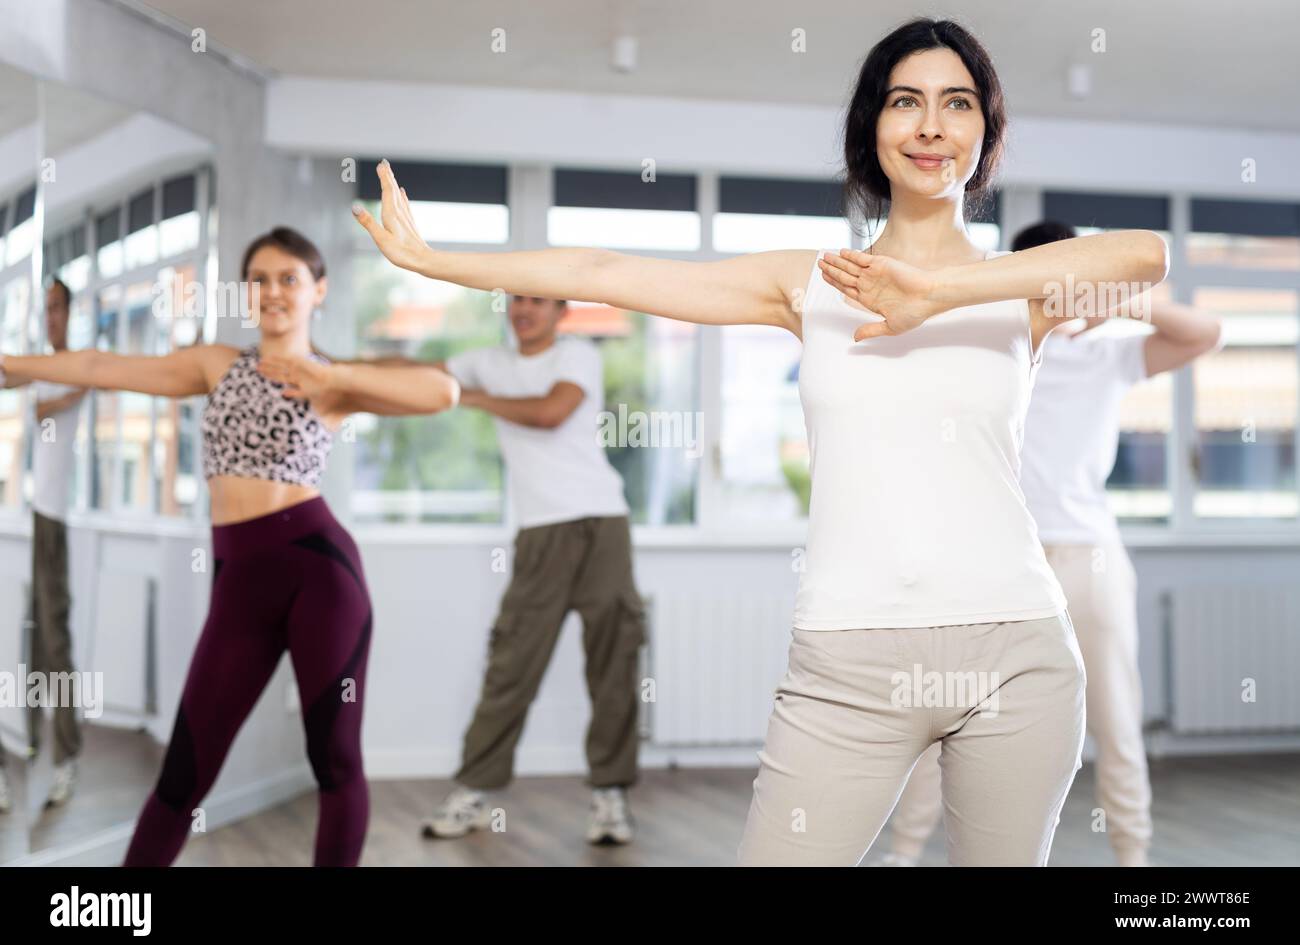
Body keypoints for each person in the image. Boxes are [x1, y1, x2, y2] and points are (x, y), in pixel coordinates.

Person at [353, 16, 1167, 865]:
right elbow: (602, 273)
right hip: (846, 661)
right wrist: (439, 263)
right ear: (871, 129)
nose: (931, 125)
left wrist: (939, 292)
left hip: (1018, 653)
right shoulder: (808, 284)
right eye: (905, 101)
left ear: (985, 133)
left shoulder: (1021, 292)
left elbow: (1146, 259)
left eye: (957, 103)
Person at [0, 226, 460, 866]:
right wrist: (12, 366)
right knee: (184, 774)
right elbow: (103, 367)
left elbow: (443, 391)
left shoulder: (335, 380)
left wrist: (337, 377)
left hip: (319, 574)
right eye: (261, 280)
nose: (273, 292)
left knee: (334, 758)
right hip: (240, 583)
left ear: (317, 290)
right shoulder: (216, 364)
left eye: (289, 279)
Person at [877, 221, 1223, 867]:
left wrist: (1114, 299)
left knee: (1116, 717)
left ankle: (1132, 861)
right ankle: (903, 853)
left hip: (1088, 560)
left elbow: (1205, 334)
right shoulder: (990, 349)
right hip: (996, 563)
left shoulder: (1106, 355)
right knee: (946, 712)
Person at [411, 294, 646, 846]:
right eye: (516, 298)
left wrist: (463, 396)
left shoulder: (577, 355)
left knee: (613, 664)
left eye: (537, 300)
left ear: (560, 309)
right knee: (511, 666)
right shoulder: (488, 362)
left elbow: (548, 412)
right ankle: (473, 791)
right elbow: (411, 373)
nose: (524, 309)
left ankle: (610, 797)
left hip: (601, 524)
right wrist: (331, 365)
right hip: (540, 533)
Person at [0, 277, 89, 809]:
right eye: (46, 309)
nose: (50, 316)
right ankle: (30, 742)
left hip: (53, 521)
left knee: (55, 643)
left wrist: (27, 372)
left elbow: (43, 405)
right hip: (29, 519)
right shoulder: (41, 370)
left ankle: (68, 758)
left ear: (70, 313)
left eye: (58, 308)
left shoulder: (73, 366)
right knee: (31, 643)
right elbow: (14, 383)